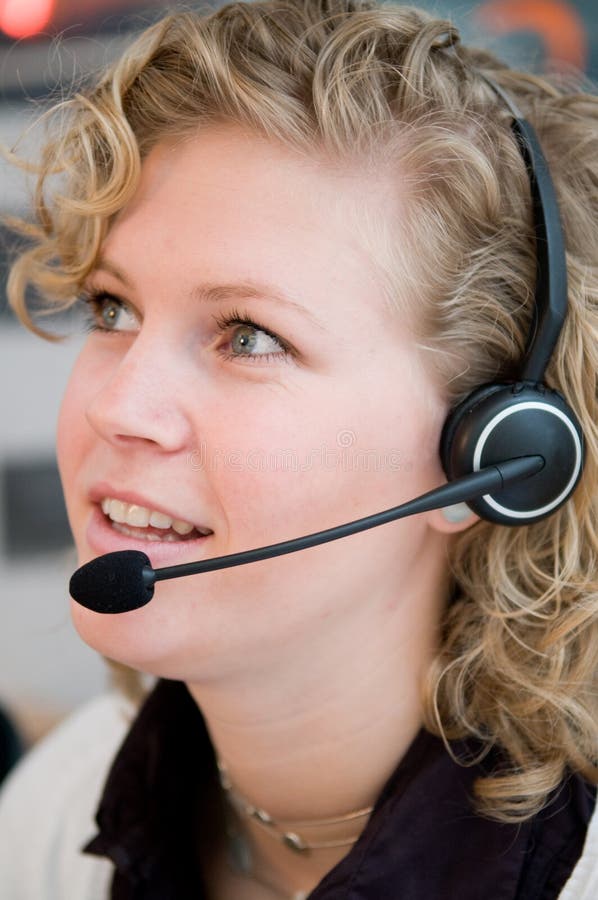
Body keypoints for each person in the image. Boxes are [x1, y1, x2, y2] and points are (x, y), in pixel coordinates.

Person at [0, 1, 596, 897]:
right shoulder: (53, 812)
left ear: (500, 456)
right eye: (112, 308)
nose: (119, 406)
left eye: (248, 336)